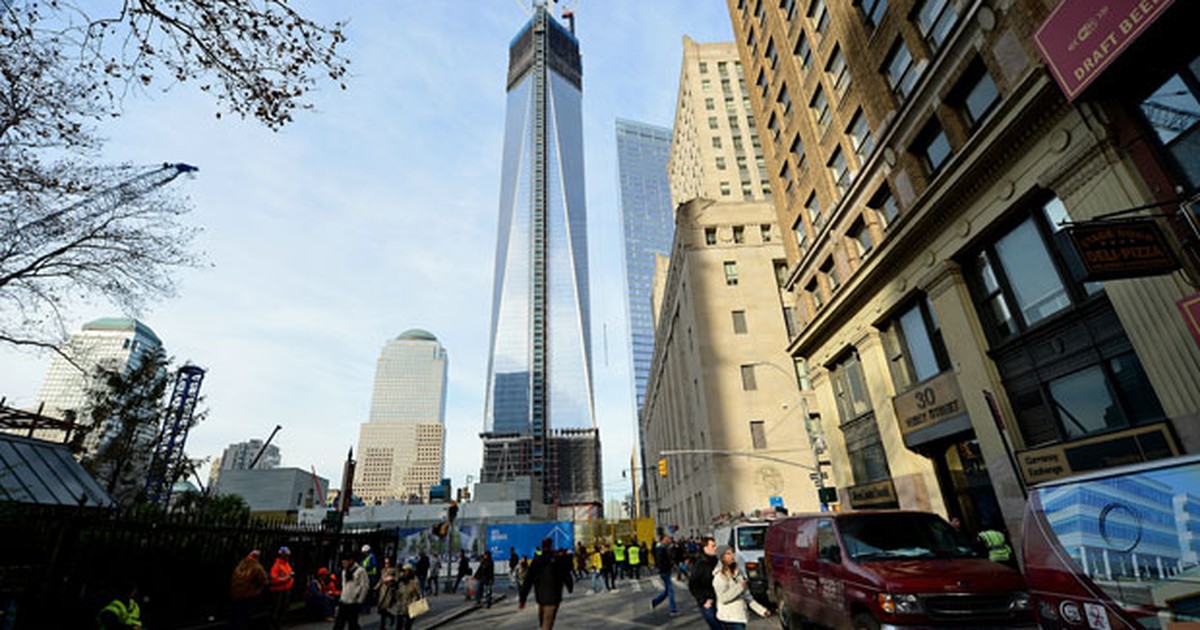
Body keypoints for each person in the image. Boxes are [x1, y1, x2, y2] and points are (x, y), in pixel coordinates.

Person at [518, 538, 574, 630]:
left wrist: (522, 599)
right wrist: (570, 587)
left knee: (544, 624)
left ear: (542, 546)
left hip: (541, 598)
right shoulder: (557, 561)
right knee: (547, 625)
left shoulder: (536, 561)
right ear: (551, 546)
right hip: (553, 597)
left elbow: (528, 580)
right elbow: (566, 574)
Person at [713, 545, 752, 630]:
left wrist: (762, 610)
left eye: (732, 552)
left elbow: (747, 595)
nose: (732, 555)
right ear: (722, 557)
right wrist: (739, 587)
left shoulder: (738, 571)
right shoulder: (719, 576)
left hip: (740, 616)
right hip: (729, 618)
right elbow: (723, 598)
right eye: (728, 553)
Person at [229, 549, 269, 630]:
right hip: (249, 594)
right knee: (245, 615)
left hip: (236, 594)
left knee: (237, 614)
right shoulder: (257, 567)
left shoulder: (240, 564)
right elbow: (264, 580)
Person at [688, 537, 722, 630]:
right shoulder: (700, 564)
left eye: (715, 546)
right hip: (708, 600)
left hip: (720, 599)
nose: (715, 548)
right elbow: (692, 584)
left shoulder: (717, 561)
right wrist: (703, 600)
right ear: (705, 548)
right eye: (713, 546)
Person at [334, 553, 369, 630]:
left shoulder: (360, 571)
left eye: (345, 562)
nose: (344, 565)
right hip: (344, 601)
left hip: (353, 602)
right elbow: (344, 586)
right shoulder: (344, 571)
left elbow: (365, 586)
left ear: (351, 561)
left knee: (352, 624)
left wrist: (359, 601)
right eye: (342, 563)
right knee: (339, 624)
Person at [267, 546, 295, 630]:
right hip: (278, 590)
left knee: (283, 609)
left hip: (286, 589)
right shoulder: (277, 565)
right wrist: (287, 578)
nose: (287, 557)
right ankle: (273, 626)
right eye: (286, 555)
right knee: (276, 610)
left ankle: (279, 625)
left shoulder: (286, 564)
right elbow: (273, 579)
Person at [651, 535, 679, 615]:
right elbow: (662, 561)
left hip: (665, 570)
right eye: (667, 539)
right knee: (671, 591)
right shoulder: (660, 549)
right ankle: (672, 610)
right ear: (663, 539)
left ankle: (655, 602)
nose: (669, 540)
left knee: (667, 591)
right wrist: (669, 565)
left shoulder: (663, 548)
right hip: (664, 571)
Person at [394, 564, 422, 630]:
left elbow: (418, 593)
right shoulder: (400, 580)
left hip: (410, 606)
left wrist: (415, 601)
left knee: (408, 626)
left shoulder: (414, 581)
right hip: (400, 606)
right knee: (398, 625)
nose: (404, 573)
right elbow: (397, 592)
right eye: (403, 571)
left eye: (406, 571)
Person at [375, 557, 399, 630]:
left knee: (384, 608)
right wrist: (376, 587)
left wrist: (391, 578)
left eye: (387, 563)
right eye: (385, 563)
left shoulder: (394, 570)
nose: (386, 565)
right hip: (382, 591)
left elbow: (397, 578)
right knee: (381, 609)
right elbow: (381, 580)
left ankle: (383, 626)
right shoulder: (383, 570)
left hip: (389, 591)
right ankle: (390, 617)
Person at [360, 545, 379, 614]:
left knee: (369, 592)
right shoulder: (366, 558)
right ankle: (364, 607)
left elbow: (373, 565)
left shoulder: (371, 557)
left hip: (371, 576)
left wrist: (366, 568)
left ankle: (367, 608)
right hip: (366, 575)